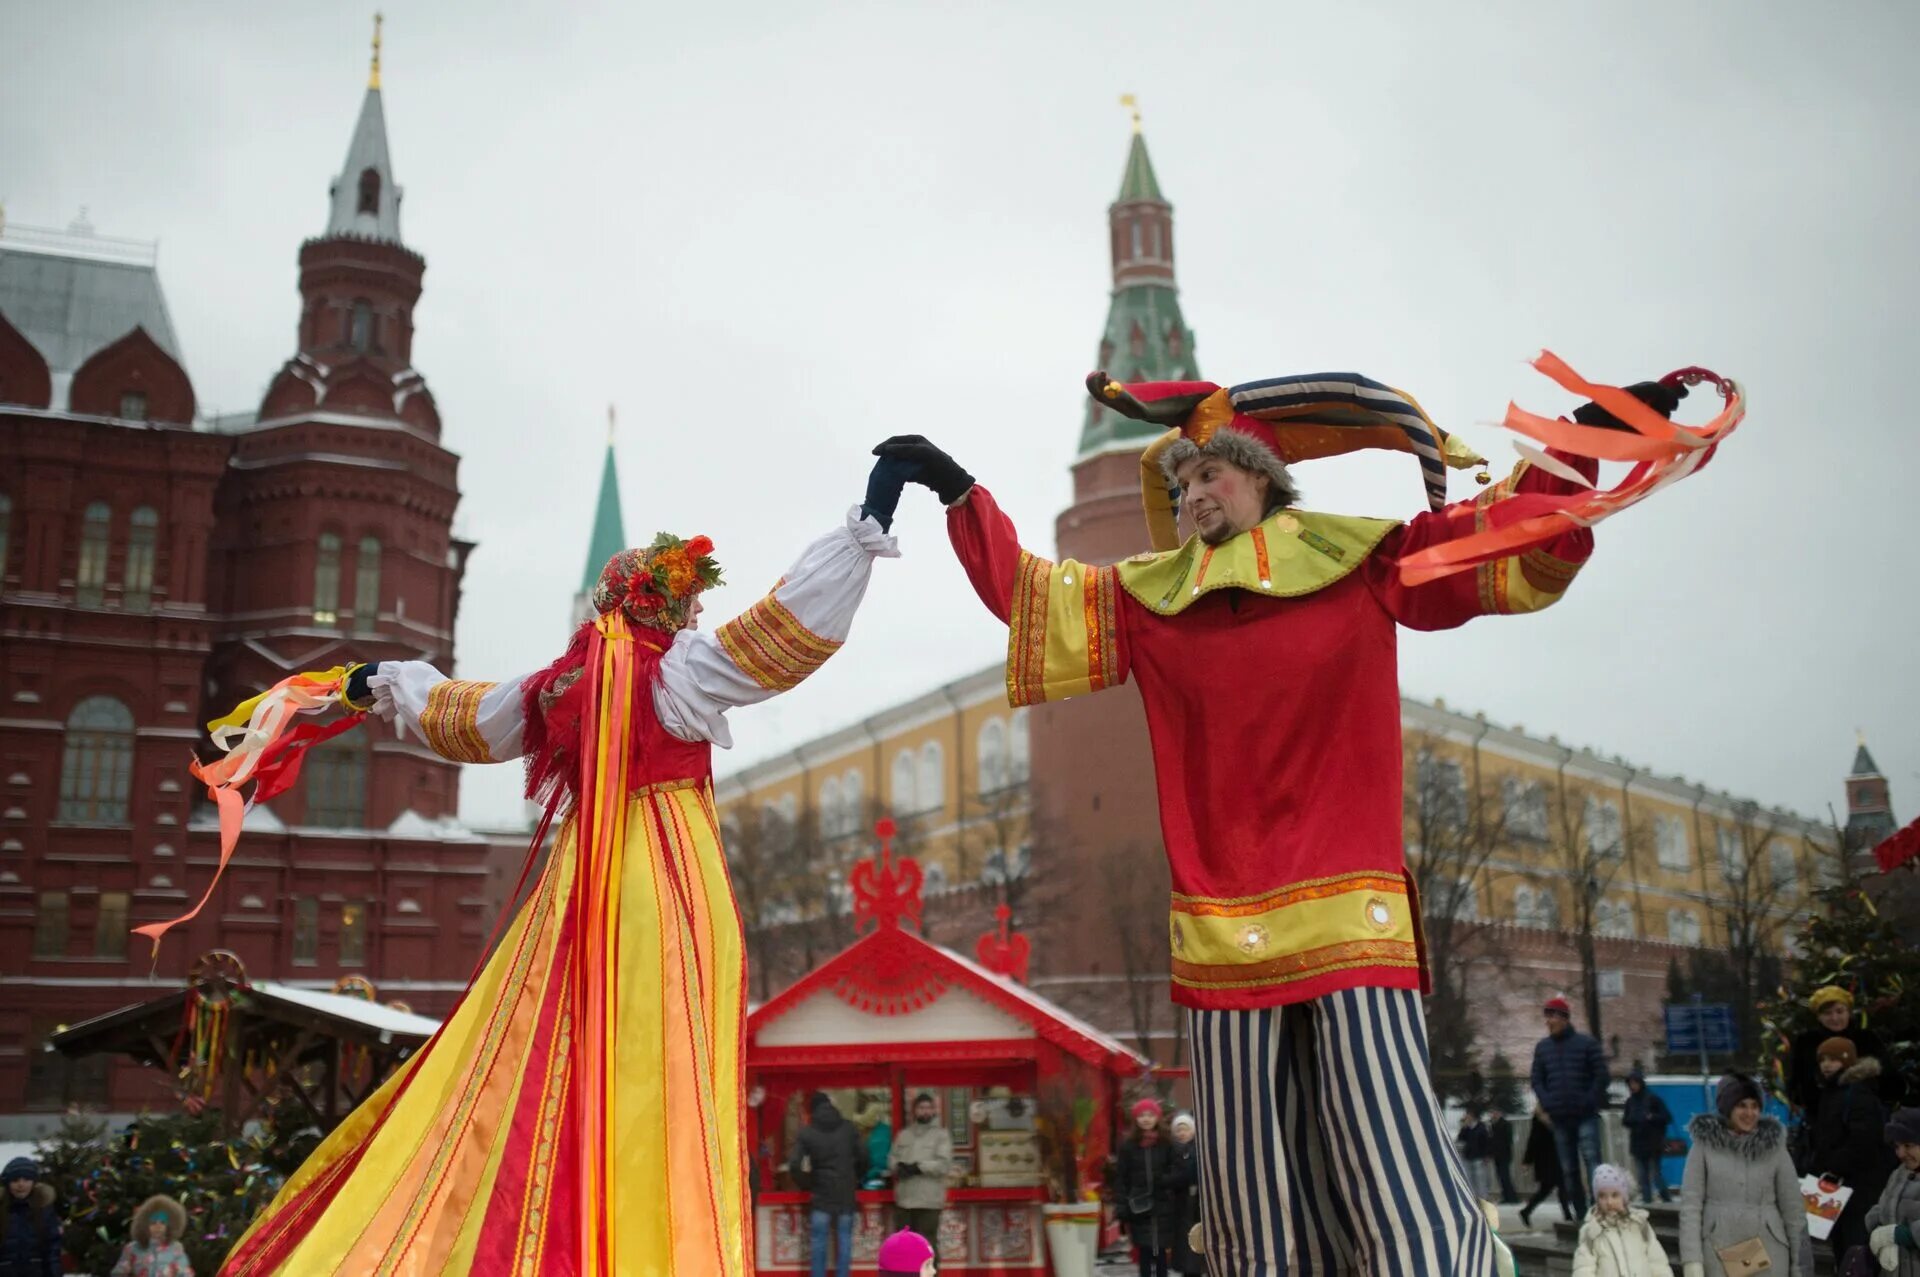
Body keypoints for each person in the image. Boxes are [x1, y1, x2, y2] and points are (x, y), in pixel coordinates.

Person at [879, 359, 1716, 1276]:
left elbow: (1492, 539)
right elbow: (1034, 599)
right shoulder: (1153, 599)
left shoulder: (1363, 560)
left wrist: (1582, 439)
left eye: (1211, 472)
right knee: (1244, 1181)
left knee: (1386, 1143)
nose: (1193, 491)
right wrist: (961, 493)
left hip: (1350, 917)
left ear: (1264, 480)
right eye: (1183, 478)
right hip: (1220, 929)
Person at [216, 470, 908, 1274]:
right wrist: (868, 521)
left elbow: (467, 717)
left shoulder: (562, 684)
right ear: (667, 607)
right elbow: (782, 634)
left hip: (585, 883)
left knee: (537, 1055)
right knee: (668, 1070)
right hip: (671, 886)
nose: (696, 618)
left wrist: (377, 682)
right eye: (689, 606)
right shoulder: (680, 671)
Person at [1678, 1073, 1807, 1277]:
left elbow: (1793, 1209)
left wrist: (1800, 1265)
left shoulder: (1774, 1148)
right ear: (1728, 1108)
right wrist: (1692, 1260)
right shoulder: (1704, 1146)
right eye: (1742, 1106)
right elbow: (1690, 1207)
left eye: (1754, 1106)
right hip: (1718, 1249)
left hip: (1770, 1249)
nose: (1749, 1113)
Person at [1807, 1037, 1896, 1260]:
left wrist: (1833, 1166)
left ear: (1848, 1062)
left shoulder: (1856, 1093)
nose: (1826, 1064)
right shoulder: (1833, 1091)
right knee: (1842, 1248)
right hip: (1839, 1186)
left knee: (1854, 1247)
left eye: (1834, 1059)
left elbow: (1864, 1140)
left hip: (1857, 1187)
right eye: (1823, 1059)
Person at [1533, 994, 1610, 1219]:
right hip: (1560, 1118)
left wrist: (1588, 1100)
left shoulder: (1586, 1043)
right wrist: (1548, 1103)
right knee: (1569, 1170)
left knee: (1593, 1163)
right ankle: (1580, 1215)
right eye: (1547, 1017)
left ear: (1564, 1018)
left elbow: (1601, 1075)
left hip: (1585, 1115)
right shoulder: (1543, 1048)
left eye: (1552, 1016)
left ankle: (1601, 1211)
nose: (1548, 1021)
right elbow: (1537, 1079)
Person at [791, 1092, 868, 1277]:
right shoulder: (849, 1128)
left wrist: (807, 1183)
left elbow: (794, 1164)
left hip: (820, 1195)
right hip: (845, 1195)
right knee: (845, 1241)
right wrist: (855, 1178)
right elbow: (864, 1156)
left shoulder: (807, 1132)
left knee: (818, 1243)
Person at [1788, 986, 1891, 1115]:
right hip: (1820, 1115)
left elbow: (1888, 1077)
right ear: (1819, 1017)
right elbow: (1795, 1080)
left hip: (1863, 1113)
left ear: (1849, 1012)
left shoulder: (1867, 1039)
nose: (1835, 1018)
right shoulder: (1806, 1041)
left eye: (1840, 1011)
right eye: (1827, 1013)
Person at [1112, 1099, 1179, 1277]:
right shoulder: (1128, 1146)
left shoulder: (1167, 1144)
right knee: (1146, 1250)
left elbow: (1177, 1170)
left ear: (1157, 1117)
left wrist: (1165, 1181)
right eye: (1142, 1115)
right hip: (1138, 1206)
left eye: (1150, 1115)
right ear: (1136, 1119)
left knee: (1160, 1250)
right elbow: (1121, 1178)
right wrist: (1121, 1205)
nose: (1146, 1119)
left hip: (1163, 1205)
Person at [1572, 1165, 1673, 1277]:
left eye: (1615, 1195)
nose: (1609, 1202)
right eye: (1602, 1196)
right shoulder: (1592, 1231)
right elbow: (1584, 1269)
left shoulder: (1639, 1224)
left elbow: (1657, 1263)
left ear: (1624, 1197)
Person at [888, 1093, 953, 1250]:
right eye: (921, 1108)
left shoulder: (941, 1135)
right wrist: (898, 1167)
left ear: (933, 1111)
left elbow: (943, 1165)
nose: (925, 1111)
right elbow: (892, 1157)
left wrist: (918, 1167)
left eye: (928, 1108)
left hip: (928, 1200)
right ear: (914, 1111)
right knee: (904, 1247)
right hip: (905, 1199)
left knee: (927, 1246)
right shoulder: (904, 1135)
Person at [1866, 1107, 1920, 1275]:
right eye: (1897, 1146)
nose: (1901, 1153)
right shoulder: (1900, 1173)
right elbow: (1880, 1210)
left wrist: (1900, 1235)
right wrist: (1878, 1233)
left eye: (1908, 1145)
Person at [0, 1156, 60, 1277]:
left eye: (26, 1179)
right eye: (15, 1180)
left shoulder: (44, 1210)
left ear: (34, 1182)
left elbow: (52, 1250)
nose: (21, 1185)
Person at [1623, 1071, 1676, 1204]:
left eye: (1635, 1083)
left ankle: (1667, 1200)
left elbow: (1666, 1117)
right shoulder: (1630, 1102)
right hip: (1638, 1143)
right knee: (1643, 1177)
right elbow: (1625, 1120)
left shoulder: (1652, 1099)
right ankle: (1648, 1204)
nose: (1633, 1086)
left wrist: (1652, 1117)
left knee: (1656, 1175)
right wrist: (1633, 1120)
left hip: (1653, 1143)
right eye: (1630, 1084)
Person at [111, 1195, 193, 1277]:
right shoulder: (132, 1248)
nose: (158, 1226)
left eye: (162, 1223)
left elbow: (185, 1272)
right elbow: (118, 1272)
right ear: (144, 1225)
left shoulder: (176, 1248)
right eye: (153, 1223)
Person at [1521, 1107, 1572, 1229]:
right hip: (1545, 1160)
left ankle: (1526, 1211)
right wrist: (1527, 1160)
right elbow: (1533, 1140)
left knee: (1549, 1188)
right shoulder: (1538, 1121)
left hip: (1556, 1157)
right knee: (1555, 1187)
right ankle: (1567, 1216)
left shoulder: (1555, 1116)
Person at [1166, 1113, 1205, 1275]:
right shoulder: (1170, 1151)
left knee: (1197, 1236)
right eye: (1179, 1130)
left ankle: (1197, 1268)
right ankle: (1185, 1268)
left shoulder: (1199, 1150)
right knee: (1182, 1240)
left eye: (1186, 1129)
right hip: (1178, 1202)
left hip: (1197, 1203)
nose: (1182, 1133)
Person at [1458, 1109, 1496, 1201]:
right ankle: (1473, 1197)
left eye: (1468, 1116)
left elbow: (1487, 1142)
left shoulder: (1481, 1128)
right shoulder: (1467, 1128)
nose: (1466, 1118)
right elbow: (1460, 1139)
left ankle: (1483, 1197)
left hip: (1479, 1156)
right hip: (1468, 1156)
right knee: (1469, 1178)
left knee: (1480, 1178)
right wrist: (1464, 1127)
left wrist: (1487, 1155)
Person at [1488, 1109, 1520, 1204]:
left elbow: (1507, 1140)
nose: (1493, 1115)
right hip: (1497, 1155)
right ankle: (1507, 1196)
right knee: (1501, 1177)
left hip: (1504, 1154)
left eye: (1495, 1113)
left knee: (1505, 1176)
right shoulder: (1493, 1125)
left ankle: (1511, 1197)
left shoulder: (1505, 1124)